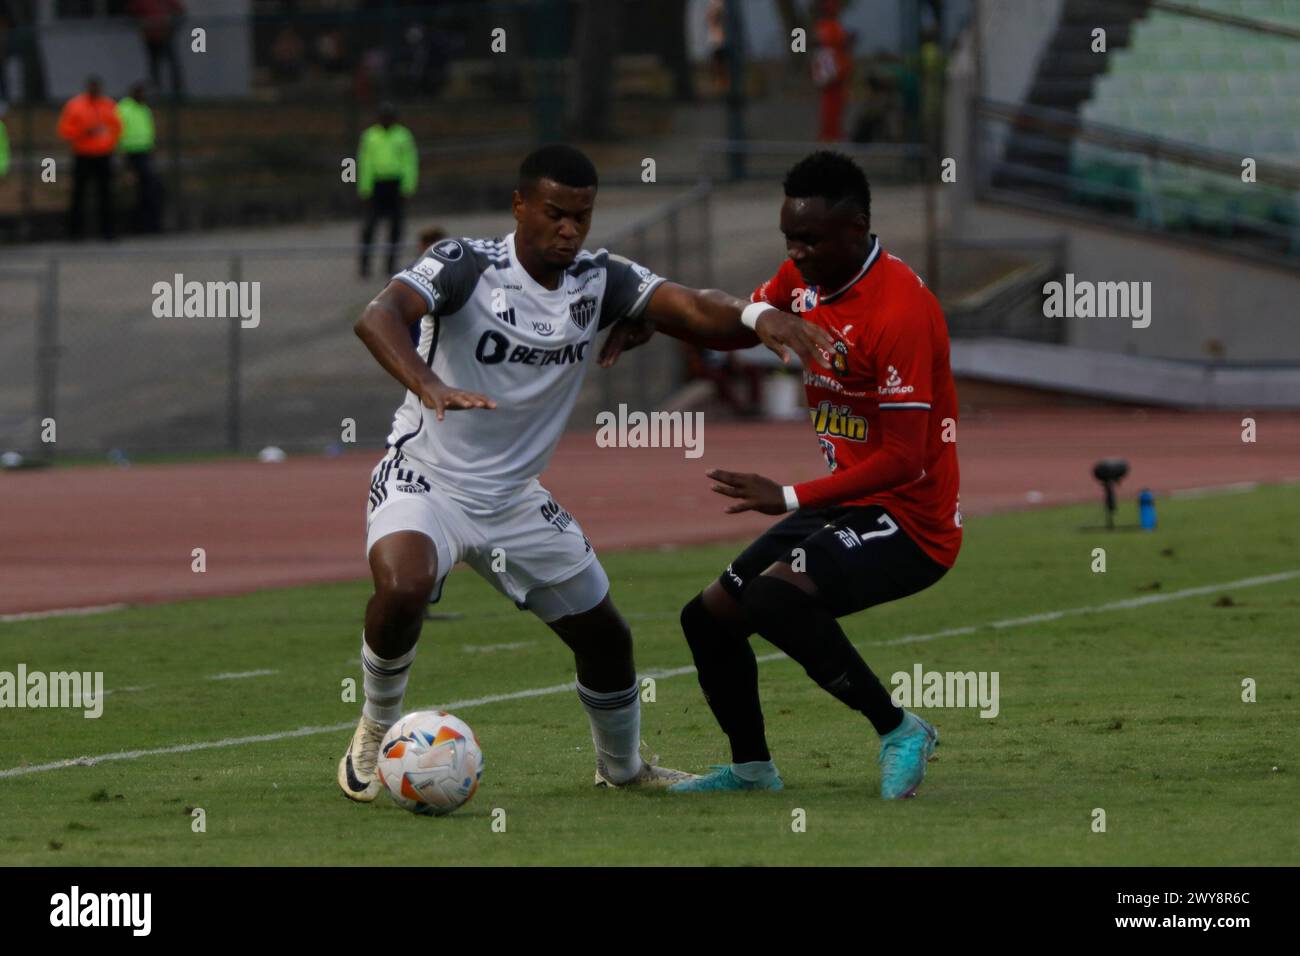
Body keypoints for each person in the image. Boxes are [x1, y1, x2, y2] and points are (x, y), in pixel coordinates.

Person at [339, 144, 831, 801]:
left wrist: (757, 315)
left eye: (582, 216)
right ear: (520, 206)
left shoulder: (601, 281)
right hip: (427, 475)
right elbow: (377, 317)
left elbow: (689, 306)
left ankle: (623, 770)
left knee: (605, 636)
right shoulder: (464, 265)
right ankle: (374, 730)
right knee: (404, 588)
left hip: (516, 500)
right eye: (554, 213)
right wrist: (428, 383)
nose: (568, 229)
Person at [608, 151, 962, 799]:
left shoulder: (900, 310)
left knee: (773, 597)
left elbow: (906, 460)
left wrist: (790, 496)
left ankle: (900, 728)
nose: (796, 252)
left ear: (857, 228)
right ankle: (752, 770)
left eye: (811, 239)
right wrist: (653, 323)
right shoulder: (801, 282)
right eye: (789, 238)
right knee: (707, 617)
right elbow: (741, 330)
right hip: (845, 504)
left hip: (912, 521)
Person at [357, 103, 417, 279]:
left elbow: (410, 161)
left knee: (396, 227)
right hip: (376, 184)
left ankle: (391, 264)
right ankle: (365, 264)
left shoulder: (403, 135)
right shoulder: (369, 136)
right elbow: (363, 162)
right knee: (369, 226)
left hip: (395, 184)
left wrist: (408, 185)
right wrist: (364, 187)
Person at [58, 76, 122, 241]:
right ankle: (75, 233)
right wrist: (83, 133)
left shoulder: (108, 105)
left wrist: (109, 143)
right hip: (83, 154)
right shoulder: (75, 105)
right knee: (79, 194)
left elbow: (117, 127)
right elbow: (65, 130)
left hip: (103, 155)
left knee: (106, 194)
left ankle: (108, 231)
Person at [117, 82, 163, 233]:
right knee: (135, 190)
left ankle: (149, 225)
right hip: (130, 153)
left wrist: (151, 149)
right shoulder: (123, 109)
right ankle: (136, 225)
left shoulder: (144, 109)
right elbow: (118, 132)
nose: (143, 96)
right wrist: (123, 159)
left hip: (144, 153)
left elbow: (148, 131)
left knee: (149, 189)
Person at [812, 0, 854, 142]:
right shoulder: (827, 27)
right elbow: (828, 49)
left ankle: (833, 132)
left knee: (836, 106)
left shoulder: (830, 26)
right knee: (830, 105)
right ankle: (829, 134)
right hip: (833, 73)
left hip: (837, 72)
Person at [127, 0, 184, 98]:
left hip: (166, 37)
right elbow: (131, 12)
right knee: (154, 67)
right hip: (151, 38)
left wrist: (171, 28)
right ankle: (157, 92)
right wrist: (141, 26)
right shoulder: (142, 2)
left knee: (172, 66)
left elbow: (180, 11)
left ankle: (177, 93)